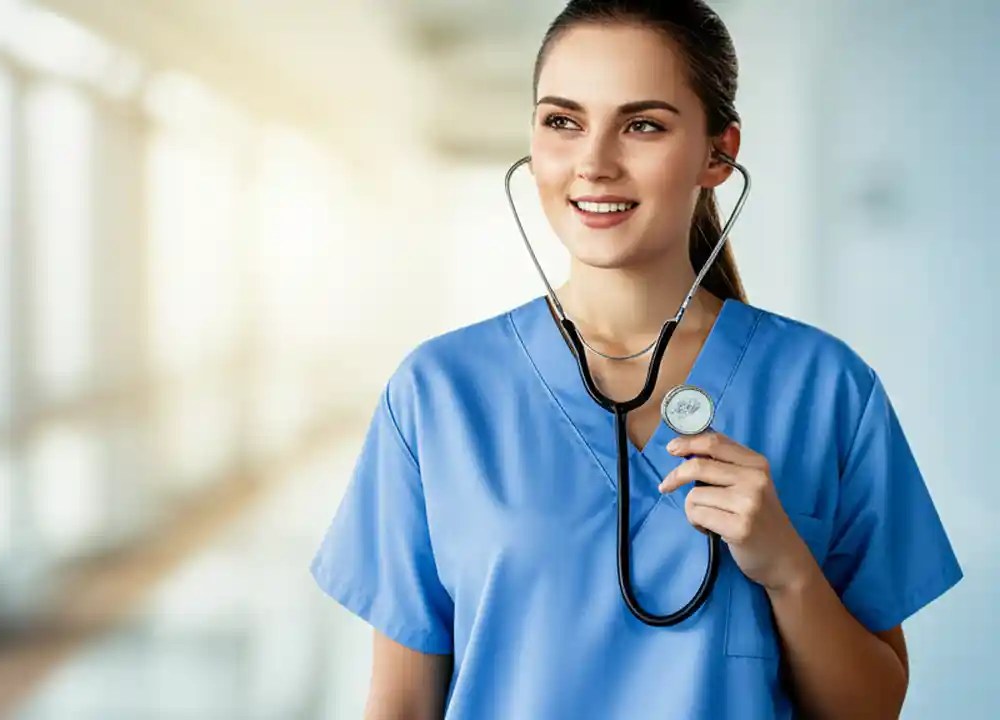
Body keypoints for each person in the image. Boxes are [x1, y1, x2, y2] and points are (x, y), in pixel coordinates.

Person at [308, 1, 963, 717]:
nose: (594, 162)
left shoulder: (826, 387)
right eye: (563, 122)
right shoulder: (438, 394)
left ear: (719, 154)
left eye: (643, 125)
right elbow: (400, 705)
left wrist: (789, 573)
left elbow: (871, 707)